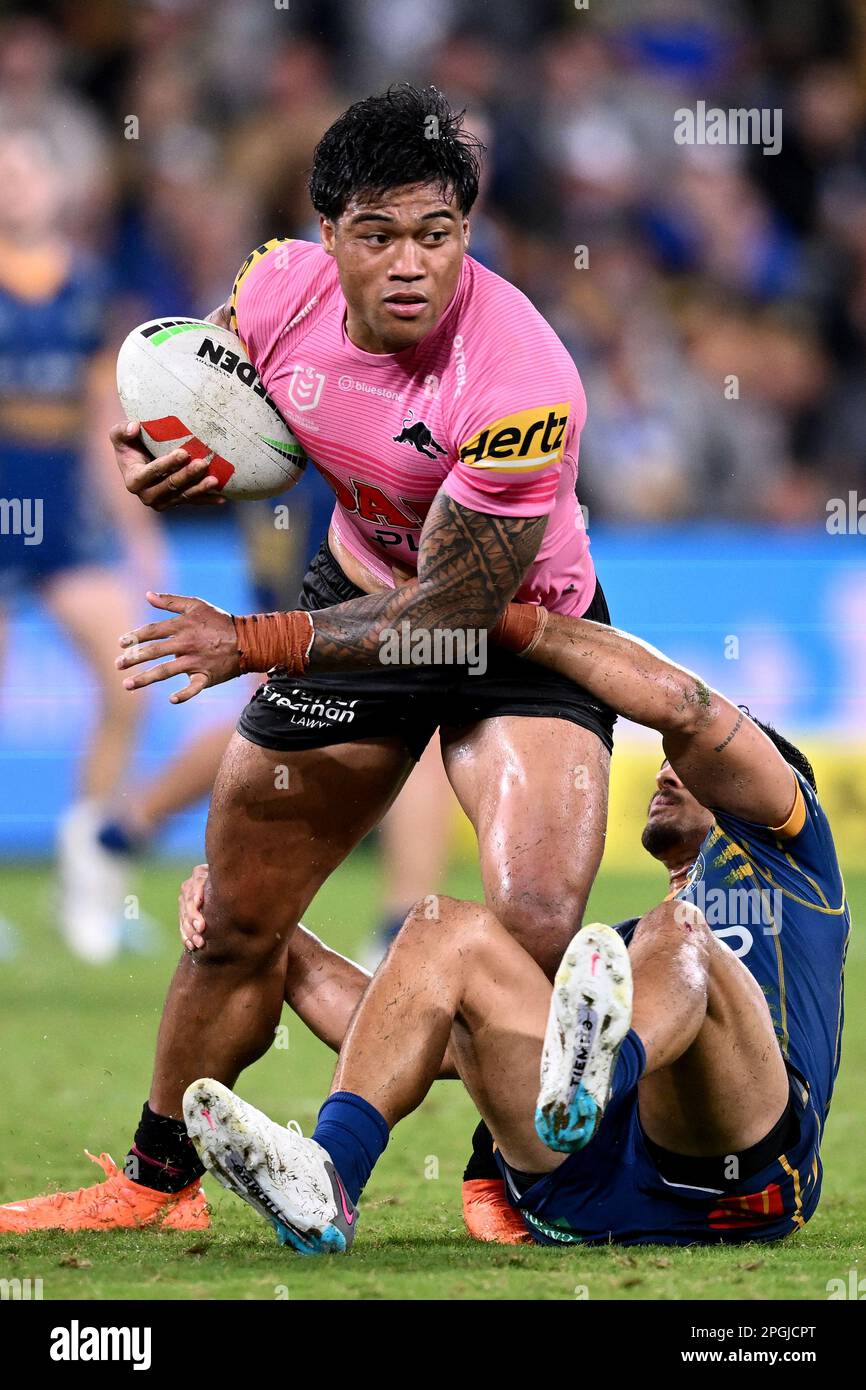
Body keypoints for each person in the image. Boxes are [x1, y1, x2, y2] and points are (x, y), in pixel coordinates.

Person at [0, 83, 617, 1230]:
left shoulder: (524, 383)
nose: (407, 265)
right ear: (323, 233)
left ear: (464, 237)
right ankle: (154, 1179)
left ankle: (504, 1173)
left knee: (529, 919)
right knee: (236, 918)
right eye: (375, 234)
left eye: (435, 235)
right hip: (356, 589)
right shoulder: (273, 286)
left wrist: (252, 640)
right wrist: (165, 445)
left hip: (519, 626)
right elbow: (212, 390)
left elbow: (449, 611)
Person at [180, 607, 849, 1251]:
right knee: (446, 928)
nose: (668, 771)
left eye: (696, 769)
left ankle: (594, 1080)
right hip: (583, 1193)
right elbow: (439, 1037)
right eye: (668, 763)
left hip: (739, 1180)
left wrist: (514, 620)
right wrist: (257, 924)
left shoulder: (791, 857)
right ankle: (327, 1174)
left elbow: (693, 711)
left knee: (680, 936)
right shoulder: (615, 964)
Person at [0, 127, 161, 962]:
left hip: (61, 515)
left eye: (24, 167)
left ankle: (85, 872)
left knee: (125, 681)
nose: (13, 185)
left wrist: (138, 526)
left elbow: (107, 418)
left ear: (55, 185)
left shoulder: (89, 287)